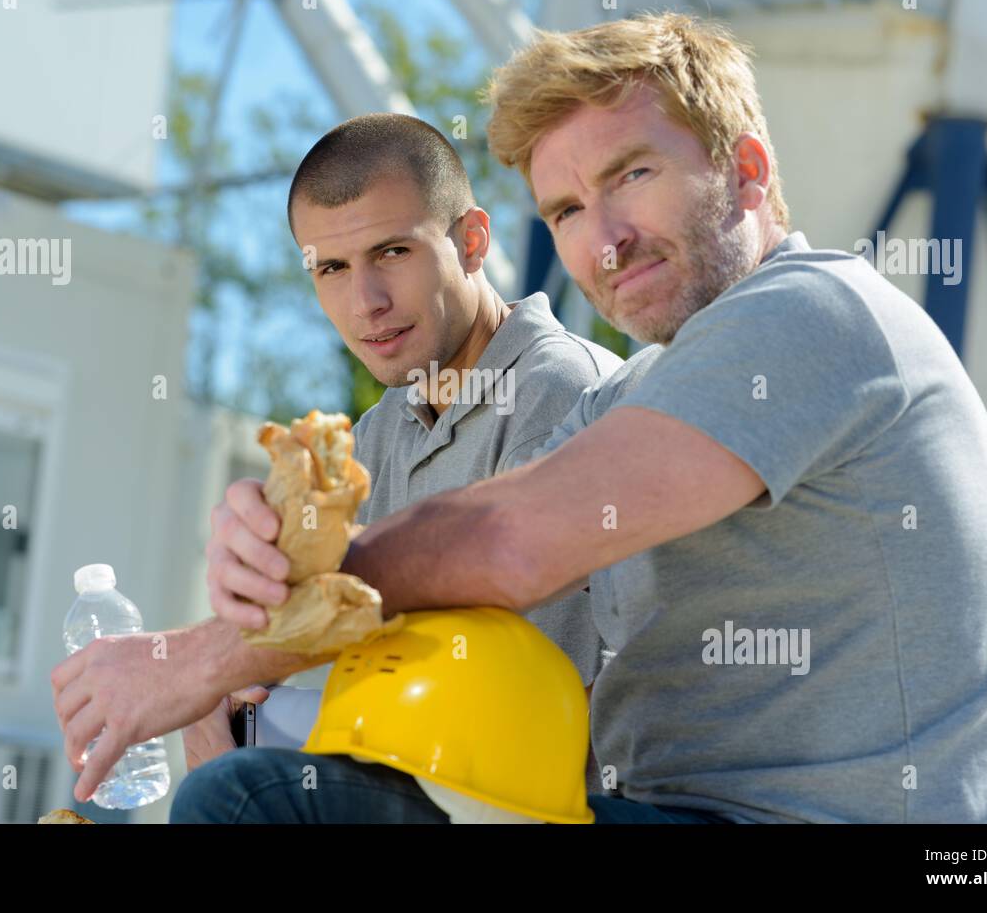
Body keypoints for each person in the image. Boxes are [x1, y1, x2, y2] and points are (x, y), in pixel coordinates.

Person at [193, 12, 987, 824]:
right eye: (565, 211)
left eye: (631, 176)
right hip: (655, 808)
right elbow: (494, 519)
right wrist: (268, 559)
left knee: (254, 802)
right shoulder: (637, 390)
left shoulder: (813, 312)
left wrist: (201, 661)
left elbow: (511, 543)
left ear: (746, 171)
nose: (604, 241)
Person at [51, 113, 621, 806]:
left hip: (526, 799)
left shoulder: (557, 392)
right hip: (421, 776)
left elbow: (514, 715)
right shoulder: (377, 435)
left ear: (471, 241)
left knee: (235, 795)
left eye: (392, 253)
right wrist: (223, 690)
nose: (366, 303)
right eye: (332, 268)